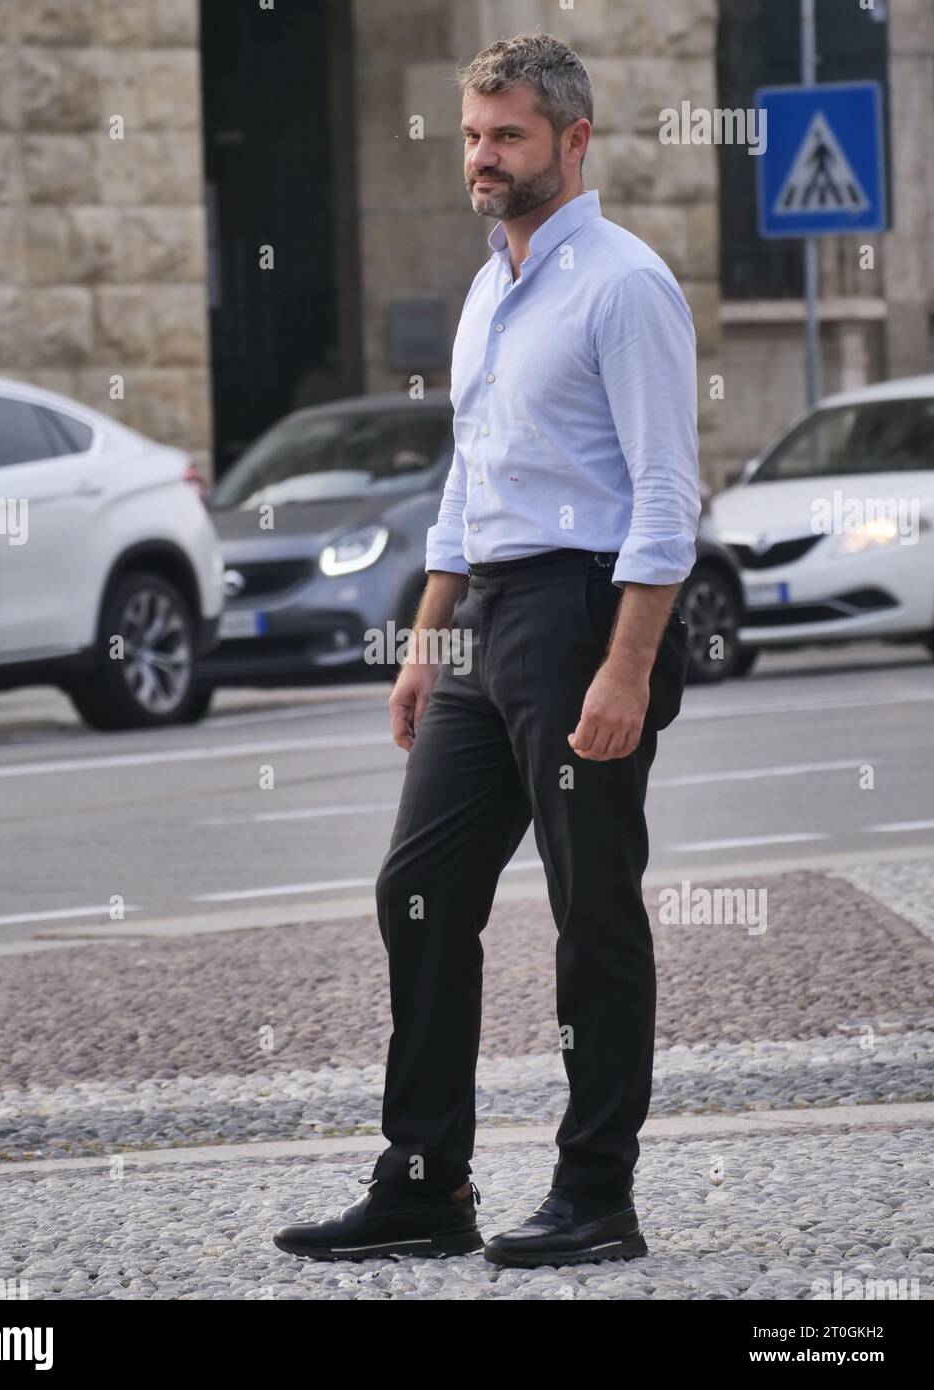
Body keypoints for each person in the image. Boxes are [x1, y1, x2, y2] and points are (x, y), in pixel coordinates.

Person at [274, 30, 700, 1268]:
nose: (482, 157)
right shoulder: (488, 287)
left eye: (507, 135)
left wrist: (625, 667)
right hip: (483, 625)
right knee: (417, 888)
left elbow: (668, 497)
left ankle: (596, 1193)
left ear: (573, 141)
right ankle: (422, 1183)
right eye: (471, 134)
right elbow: (470, 478)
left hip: (584, 617)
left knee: (593, 914)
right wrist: (424, 638)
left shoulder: (624, 285)